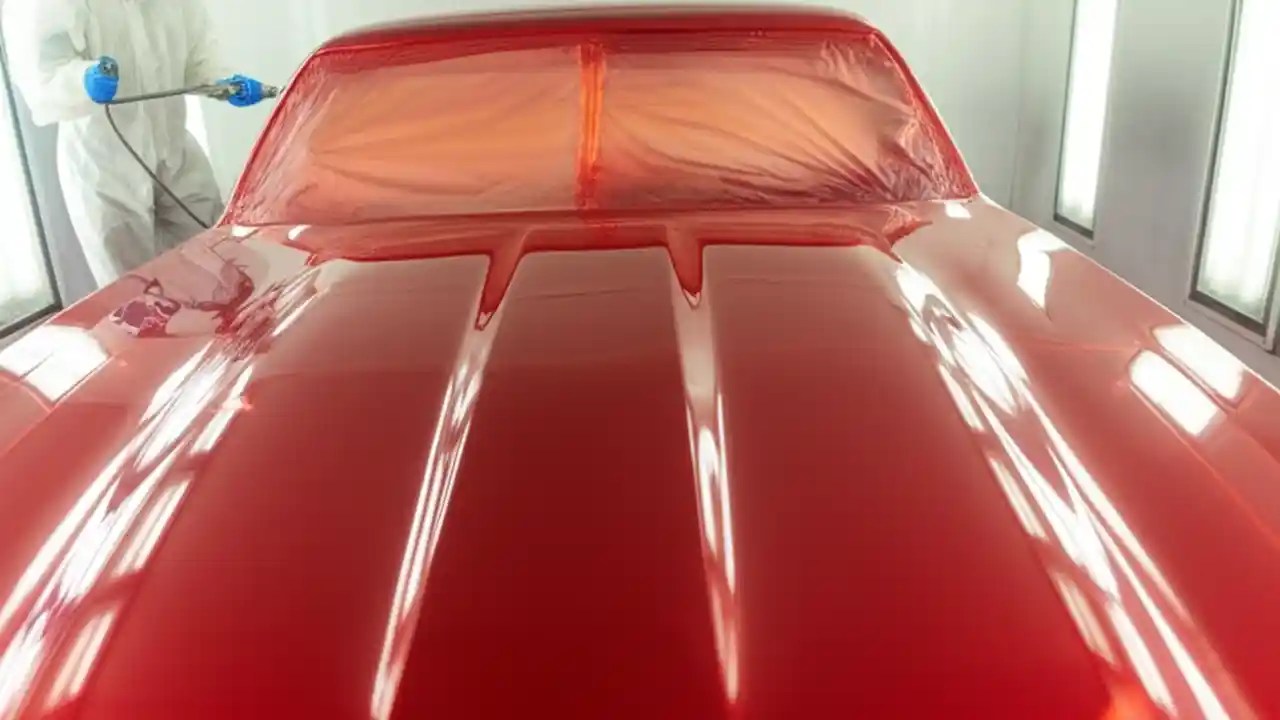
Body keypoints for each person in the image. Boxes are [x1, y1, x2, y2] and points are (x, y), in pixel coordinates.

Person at [2, 0, 268, 287]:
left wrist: (225, 82)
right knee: (134, 294)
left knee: (216, 263)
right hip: (104, 166)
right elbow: (42, 69)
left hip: (173, 148)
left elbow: (198, 53)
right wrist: (81, 81)